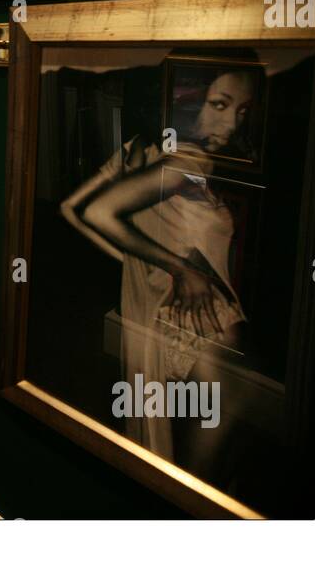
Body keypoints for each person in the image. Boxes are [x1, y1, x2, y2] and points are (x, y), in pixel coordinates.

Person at [59, 68, 257, 475]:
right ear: (187, 100)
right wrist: (177, 267)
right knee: (219, 412)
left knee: (190, 413)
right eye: (220, 104)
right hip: (197, 308)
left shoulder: (134, 149)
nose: (233, 121)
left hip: (161, 305)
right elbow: (96, 212)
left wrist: (128, 258)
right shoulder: (189, 160)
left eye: (242, 111)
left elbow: (72, 211)